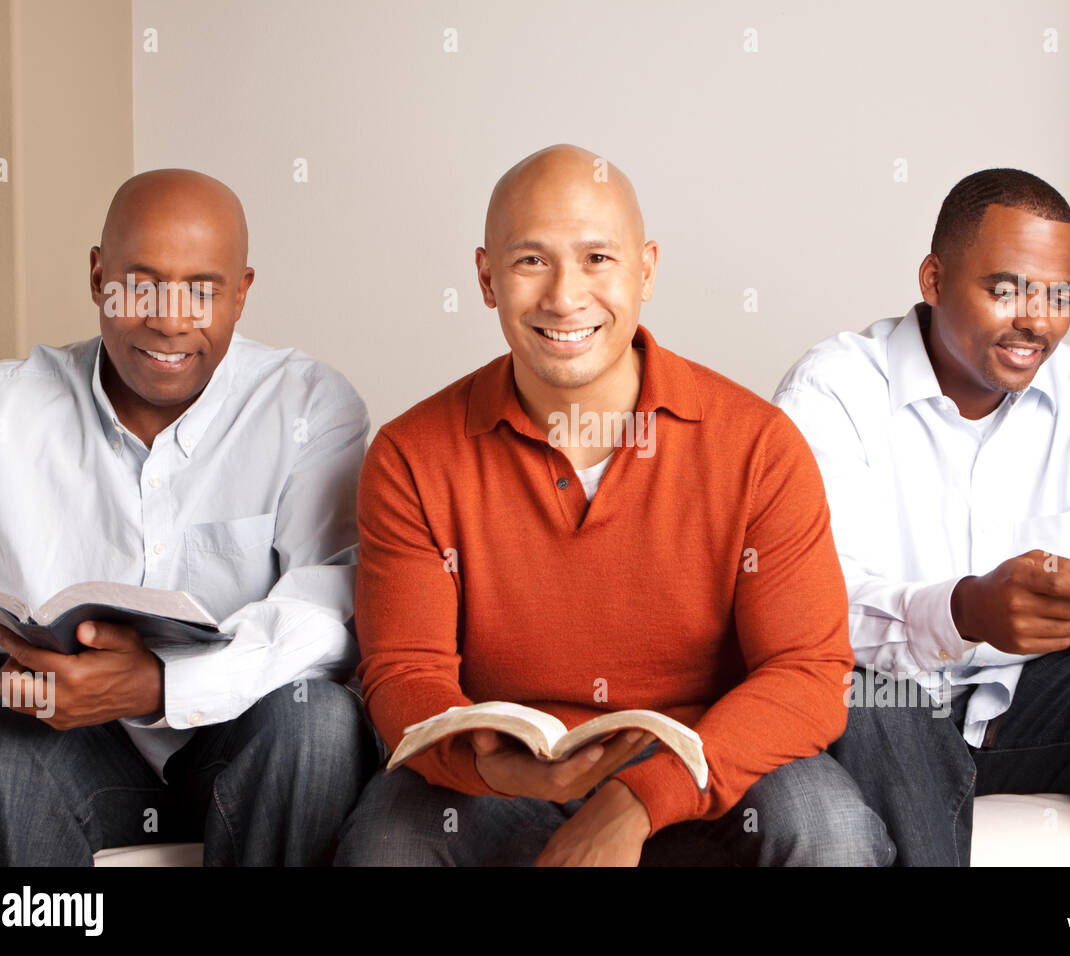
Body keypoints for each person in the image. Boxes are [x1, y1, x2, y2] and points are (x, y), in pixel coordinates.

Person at [336, 144, 891, 867]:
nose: (565, 297)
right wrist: (490, 765)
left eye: (598, 259)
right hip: (496, 783)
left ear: (647, 269)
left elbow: (807, 676)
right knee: (388, 845)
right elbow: (406, 673)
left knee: (828, 829)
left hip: (703, 773)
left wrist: (636, 801)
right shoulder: (412, 454)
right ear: (485, 277)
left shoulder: (757, 445)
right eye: (531, 261)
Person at [773, 167, 1070, 866]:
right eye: (1007, 289)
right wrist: (965, 611)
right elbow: (809, 611)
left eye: (1060, 295)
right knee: (874, 697)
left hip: (1038, 702)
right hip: (895, 704)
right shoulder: (835, 389)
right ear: (933, 280)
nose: (1037, 318)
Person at [0, 169, 379, 865]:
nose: (170, 318)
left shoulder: (308, 406)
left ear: (242, 292)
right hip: (67, 757)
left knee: (320, 720)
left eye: (203, 289)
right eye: (140, 283)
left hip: (245, 751)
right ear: (97, 277)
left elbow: (333, 611)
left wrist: (161, 684)